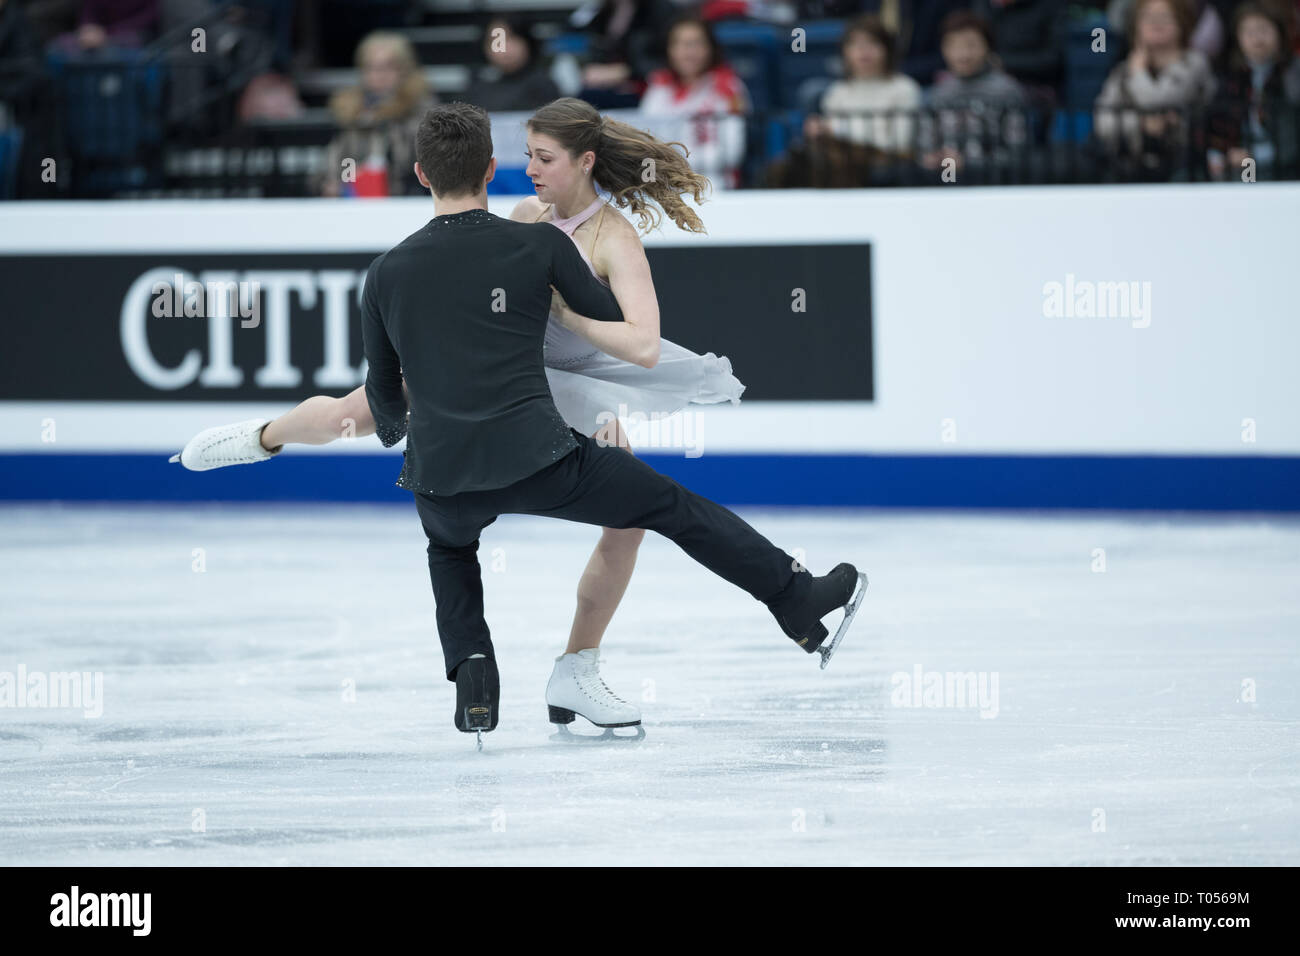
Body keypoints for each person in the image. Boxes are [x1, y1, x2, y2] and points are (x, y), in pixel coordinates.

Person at [172, 102, 862, 741]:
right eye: (524, 156)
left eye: (543, 157)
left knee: (624, 522)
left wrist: (585, 371)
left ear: (584, 161)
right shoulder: (525, 224)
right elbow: (464, 269)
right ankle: (262, 439)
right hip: (506, 389)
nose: (529, 170)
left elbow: (640, 346)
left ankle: (571, 669)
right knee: (353, 413)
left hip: (568, 389)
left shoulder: (609, 236)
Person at [1094, 0, 1217, 179]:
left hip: (1185, 166)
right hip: (1132, 165)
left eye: (1164, 17)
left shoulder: (1194, 63)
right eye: (1148, 17)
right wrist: (1141, 124)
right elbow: (1102, 120)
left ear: (1182, 22)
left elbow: (1159, 101)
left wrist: (1138, 72)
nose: (1156, 23)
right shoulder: (1123, 70)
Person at [639, 15, 751, 187]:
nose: (689, 52)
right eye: (681, 44)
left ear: (710, 48)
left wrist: (681, 164)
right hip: (664, 185)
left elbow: (733, 152)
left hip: (716, 185)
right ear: (670, 49)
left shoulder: (728, 86)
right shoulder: (658, 88)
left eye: (696, 44)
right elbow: (644, 143)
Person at [319, 31, 434, 198]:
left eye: (387, 67)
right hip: (358, 203)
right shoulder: (351, 112)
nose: (378, 75)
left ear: (404, 69)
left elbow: (420, 159)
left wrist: (386, 119)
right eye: (370, 68)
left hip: (410, 199)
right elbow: (343, 160)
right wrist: (341, 183)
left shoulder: (422, 109)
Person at [1207, 0, 1300, 178]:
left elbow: (1290, 133)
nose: (1257, 39)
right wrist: (1219, 155)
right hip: (1243, 163)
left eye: (1263, 30)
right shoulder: (1232, 79)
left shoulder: (1292, 74)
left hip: (1286, 164)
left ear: (1280, 33)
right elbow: (1219, 126)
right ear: (1238, 37)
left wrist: (1254, 156)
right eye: (1249, 32)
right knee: (1239, 178)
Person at [463, 15, 560, 113]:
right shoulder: (479, 86)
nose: (505, 48)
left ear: (527, 41)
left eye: (512, 38)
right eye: (496, 42)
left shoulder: (544, 85)